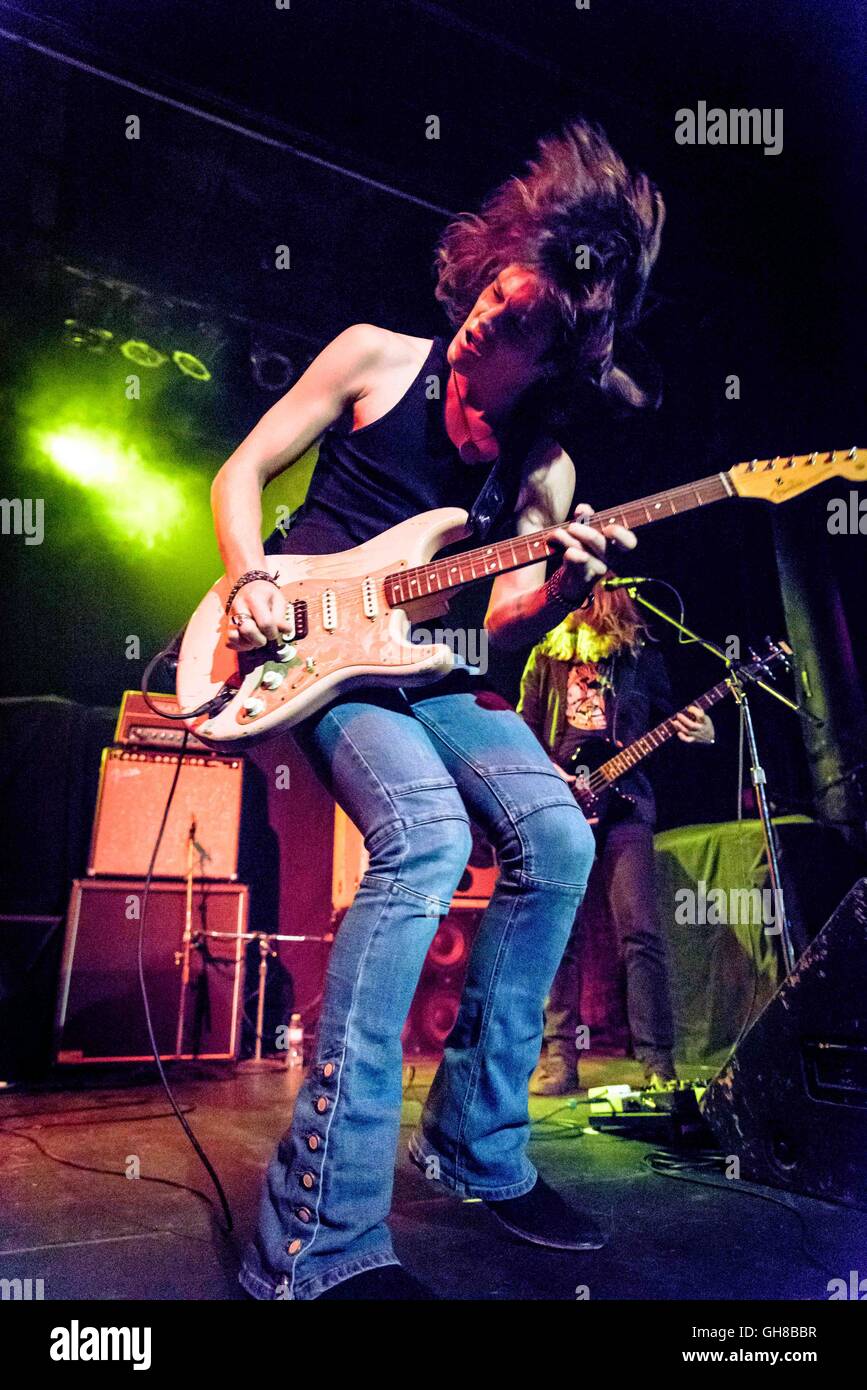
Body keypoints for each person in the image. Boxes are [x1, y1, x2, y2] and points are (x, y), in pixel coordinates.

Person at [209, 119, 665, 1300]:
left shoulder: (540, 475)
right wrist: (254, 578)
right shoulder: (373, 355)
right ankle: (317, 1241)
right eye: (491, 296)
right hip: (305, 644)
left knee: (561, 831)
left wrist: (554, 587)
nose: (482, 322)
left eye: (510, 324)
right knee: (426, 833)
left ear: (551, 358)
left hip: (432, 659)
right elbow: (240, 472)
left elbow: (488, 636)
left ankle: (475, 1142)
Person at [517, 584, 715, 1096]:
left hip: (627, 805)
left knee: (641, 933)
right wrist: (552, 779)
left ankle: (657, 1063)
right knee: (562, 937)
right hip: (564, 804)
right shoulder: (546, 652)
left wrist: (705, 734)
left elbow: (673, 722)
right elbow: (522, 730)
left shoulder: (640, 657)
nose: (586, 597)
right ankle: (559, 1059)